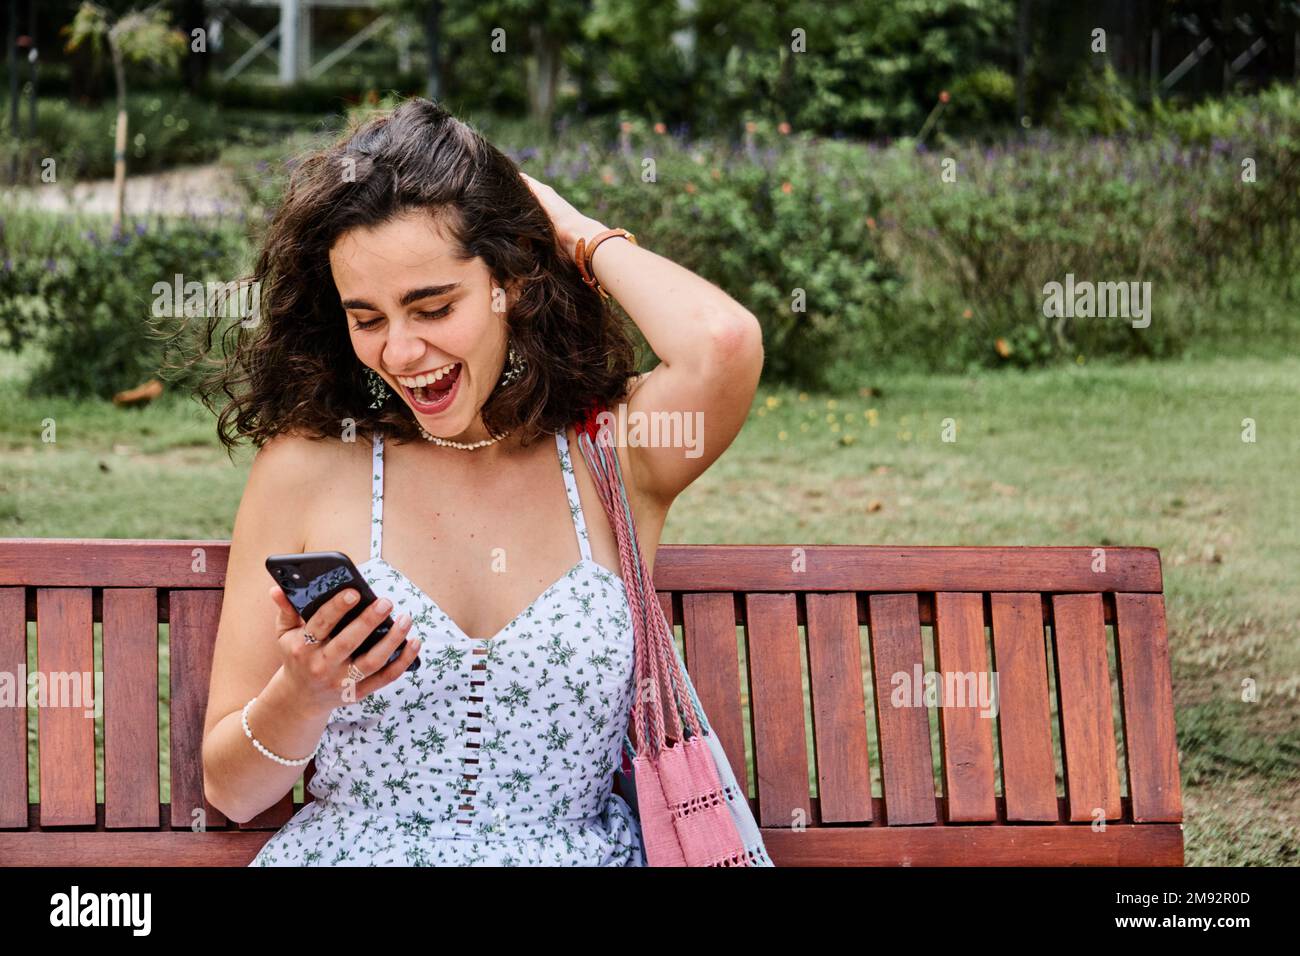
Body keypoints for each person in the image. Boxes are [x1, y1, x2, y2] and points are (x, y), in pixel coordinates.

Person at [196, 98, 763, 865]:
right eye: (367, 318)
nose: (400, 351)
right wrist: (304, 691)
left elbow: (721, 344)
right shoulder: (306, 468)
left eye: (433, 306)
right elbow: (232, 792)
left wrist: (571, 234)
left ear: (512, 284)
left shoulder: (612, 455)